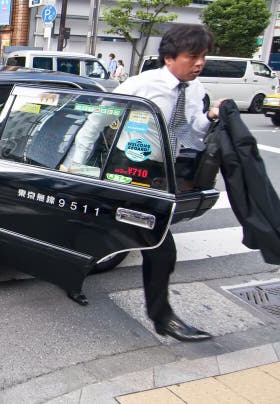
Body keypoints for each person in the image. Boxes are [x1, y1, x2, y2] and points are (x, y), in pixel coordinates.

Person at [84, 25, 221, 342]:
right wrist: (76, 158)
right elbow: (99, 119)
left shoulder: (196, 89)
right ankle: (163, 318)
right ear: (170, 57)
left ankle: (73, 273)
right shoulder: (141, 84)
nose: (199, 63)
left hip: (162, 173)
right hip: (129, 170)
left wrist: (210, 117)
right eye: (193, 56)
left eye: (203, 56)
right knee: (161, 249)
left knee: (146, 242)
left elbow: (189, 133)